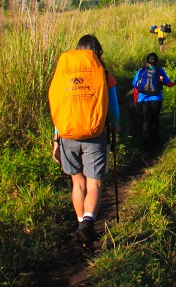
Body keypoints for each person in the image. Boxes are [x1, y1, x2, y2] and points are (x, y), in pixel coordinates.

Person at [49, 34, 120, 248]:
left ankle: (81, 229)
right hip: (95, 134)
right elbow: (114, 111)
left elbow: (59, 107)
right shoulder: (104, 75)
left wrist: (56, 139)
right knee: (94, 184)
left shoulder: (64, 75)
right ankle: (87, 224)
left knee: (77, 184)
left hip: (67, 134)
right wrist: (115, 127)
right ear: (97, 52)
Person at [132, 52, 176, 150]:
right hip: (156, 99)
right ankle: (156, 142)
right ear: (156, 62)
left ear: (147, 62)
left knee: (146, 121)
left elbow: (135, 86)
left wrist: (136, 100)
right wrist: (175, 83)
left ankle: (146, 142)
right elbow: (168, 84)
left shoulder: (140, 71)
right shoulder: (159, 71)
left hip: (142, 99)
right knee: (155, 119)